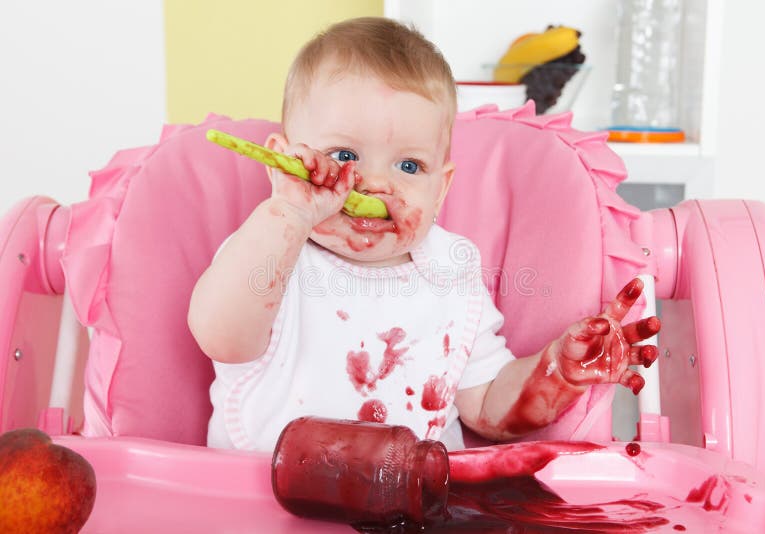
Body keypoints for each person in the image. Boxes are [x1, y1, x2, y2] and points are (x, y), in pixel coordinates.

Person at [188, 17, 660, 451]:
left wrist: (559, 371)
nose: (375, 184)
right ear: (285, 163)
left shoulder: (450, 270)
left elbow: (489, 406)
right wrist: (289, 213)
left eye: (409, 166)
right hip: (260, 503)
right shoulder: (271, 251)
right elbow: (220, 337)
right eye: (345, 156)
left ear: (441, 190)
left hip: (412, 509)